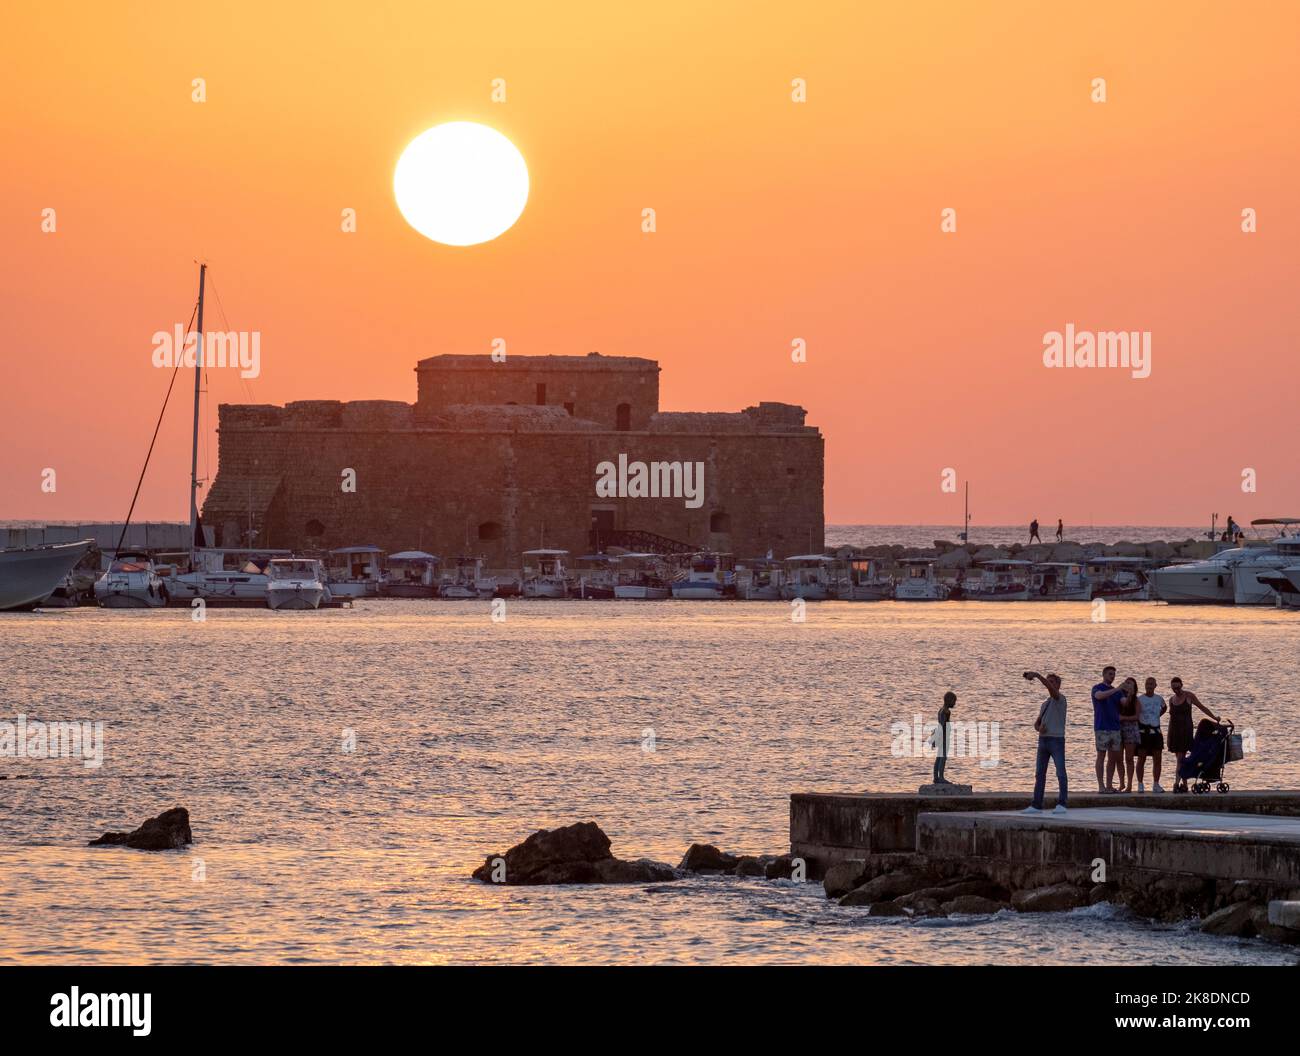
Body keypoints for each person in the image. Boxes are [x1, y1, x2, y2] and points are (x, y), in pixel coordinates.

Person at [1021, 671, 1067, 814]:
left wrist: (1037, 675)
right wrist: (1038, 728)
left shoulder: (1060, 699)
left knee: (1060, 772)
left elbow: (1052, 691)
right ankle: (1036, 805)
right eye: (1049, 681)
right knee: (1040, 773)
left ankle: (1062, 803)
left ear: (1058, 685)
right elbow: (1036, 724)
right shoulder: (1045, 704)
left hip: (1056, 740)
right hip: (1043, 740)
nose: (1050, 684)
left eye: (1053, 682)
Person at [1167, 677, 1220, 792]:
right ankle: (1184, 784)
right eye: (1173, 688)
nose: (1176, 690)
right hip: (1174, 732)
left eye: (1178, 687)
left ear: (1182, 685)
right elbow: (1171, 718)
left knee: (1181, 758)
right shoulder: (1171, 700)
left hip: (1186, 731)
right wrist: (1169, 734)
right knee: (1180, 759)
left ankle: (1176, 783)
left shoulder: (1189, 696)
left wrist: (1214, 718)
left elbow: (1202, 707)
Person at [1092, 666, 1125, 792]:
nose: (1112, 676)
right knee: (1101, 755)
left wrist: (1131, 692)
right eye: (1110, 674)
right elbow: (1099, 696)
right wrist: (1117, 689)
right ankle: (1101, 786)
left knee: (1113, 757)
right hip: (1102, 727)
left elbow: (1124, 702)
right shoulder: (1097, 688)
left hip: (1115, 727)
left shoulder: (1117, 692)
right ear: (1104, 675)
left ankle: (1109, 785)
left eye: (1114, 674)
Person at [1135, 677, 1167, 793]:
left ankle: (1156, 784)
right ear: (1144, 685)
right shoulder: (1140, 699)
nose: (1149, 686)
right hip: (1144, 731)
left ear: (1155, 685)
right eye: (1147, 684)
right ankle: (1140, 784)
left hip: (1156, 732)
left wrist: (1157, 716)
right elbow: (1136, 712)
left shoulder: (1159, 699)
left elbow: (1164, 708)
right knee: (1141, 758)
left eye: (1151, 684)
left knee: (1157, 758)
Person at [1117, 677, 1140, 792]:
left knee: (1129, 758)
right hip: (1119, 729)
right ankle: (1121, 783)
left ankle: (1130, 784)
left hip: (1131, 729)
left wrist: (1124, 718)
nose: (1128, 685)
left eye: (1130, 684)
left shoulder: (1136, 700)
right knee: (1118, 758)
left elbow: (1137, 717)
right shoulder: (1119, 697)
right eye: (1126, 683)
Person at [932, 691, 956, 784]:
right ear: (949, 700)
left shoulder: (941, 710)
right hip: (944, 737)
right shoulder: (946, 711)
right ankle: (941, 777)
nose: (954, 703)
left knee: (938, 757)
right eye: (954, 701)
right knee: (943, 757)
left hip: (942, 735)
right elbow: (942, 725)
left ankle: (936, 777)